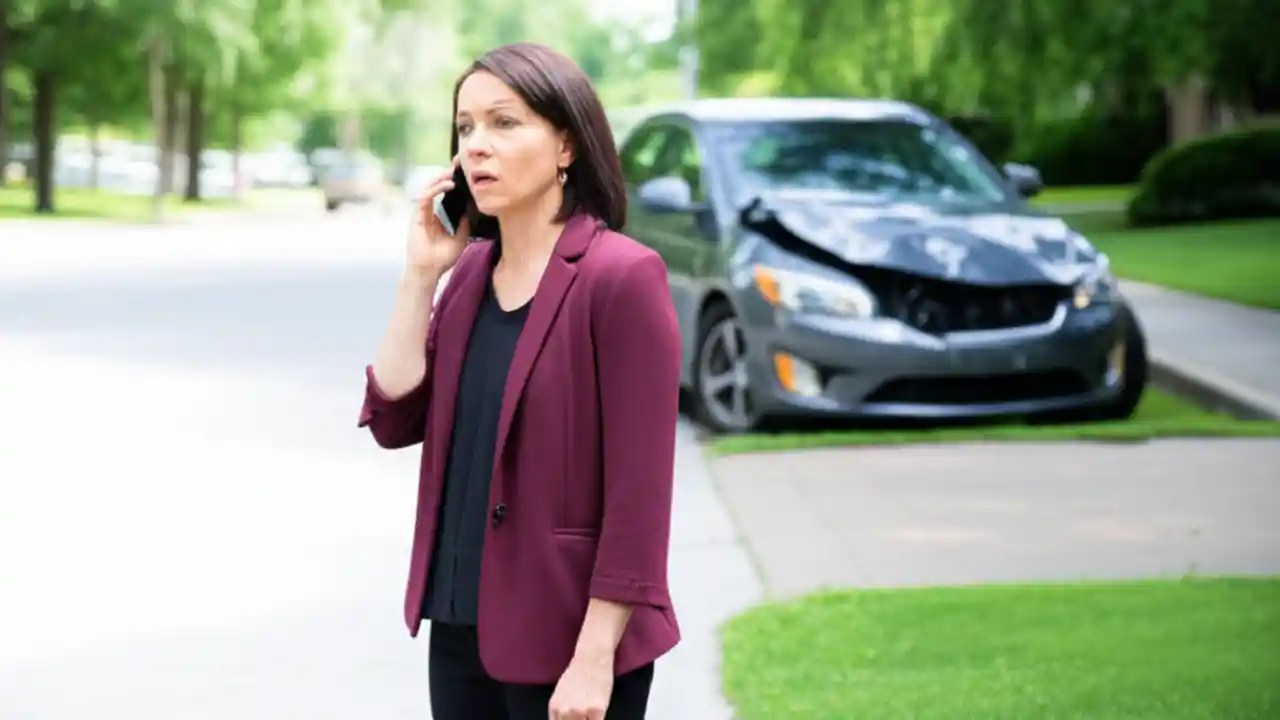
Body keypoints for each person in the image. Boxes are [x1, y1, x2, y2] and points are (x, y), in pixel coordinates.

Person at [357, 42, 681, 720]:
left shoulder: (621, 278)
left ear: (566, 144)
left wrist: (594, 658)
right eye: (466, 127)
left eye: (504, 123)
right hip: (460, 626)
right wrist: (422, 275)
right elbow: (392, 418)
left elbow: (639, 497)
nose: (477, 146)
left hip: (569, 639)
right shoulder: (469, 275)